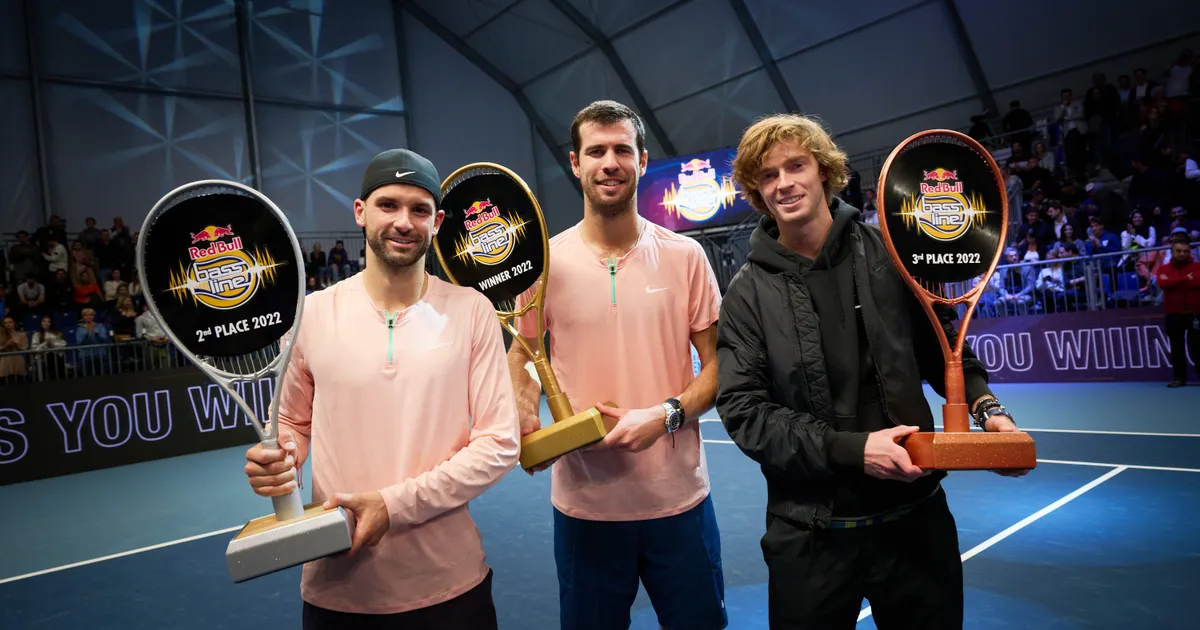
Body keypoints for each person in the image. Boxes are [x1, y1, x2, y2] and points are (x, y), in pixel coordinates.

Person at [714, 113, 1030, 629]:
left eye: (796, 165)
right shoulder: (746, 293)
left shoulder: (892, 252)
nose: (784, 183)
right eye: (768, 175)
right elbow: (745, 413)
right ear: (757, 191)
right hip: (809, 535)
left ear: (824, 171)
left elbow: (946, 352)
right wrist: (854, 450)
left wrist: (989, 411)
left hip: (916, 526)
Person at [243, 149, 521, 629]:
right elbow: (291, 421)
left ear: (437, 222)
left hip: (451, 585)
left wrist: (394, 505)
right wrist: (281, 457)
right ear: (360, 212)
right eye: (388, 205)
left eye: (419, 209)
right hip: (339, 589)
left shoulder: (472, 310)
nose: (403, 222)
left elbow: (500, 443)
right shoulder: (312, 314)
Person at [506, 100, 728, 630]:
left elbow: (720, 365)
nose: (610, 162)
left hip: (680, 503)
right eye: (596, 151)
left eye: (622, 150)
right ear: (575, 163)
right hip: (585, 509)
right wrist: (525, 416)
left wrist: (667, 414)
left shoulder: (685, 257)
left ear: (643, 160)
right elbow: (522, 355)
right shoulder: (544, 264)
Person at [1157, 233, 1200, 387]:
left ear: (1190, 252)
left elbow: (1197, 281)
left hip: (1195, 313)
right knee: (1176, 348)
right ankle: (1179, 378)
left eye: (1185, 251)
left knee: (1198, 348)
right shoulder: (1163, 268)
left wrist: (1174, 282)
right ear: (1173, 251)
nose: (1182, 254)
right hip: (1173, 314)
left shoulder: (1197, 267)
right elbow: (1163, 284)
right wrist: (1185, 279)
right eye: (1179, 251)